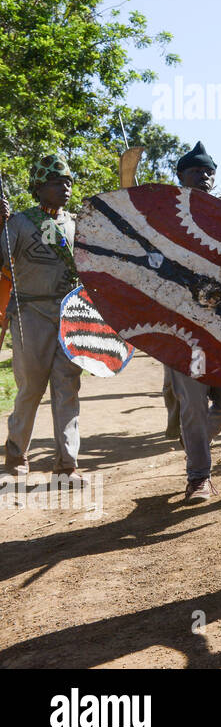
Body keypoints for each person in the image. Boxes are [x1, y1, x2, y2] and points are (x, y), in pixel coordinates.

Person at [166, 142, 221, 502]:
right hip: (181, 328)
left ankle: (193, 438)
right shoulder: (163, 218)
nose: (205, 175)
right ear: (181, 176)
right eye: (196, 170)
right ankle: (198, 477)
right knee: (193, 404)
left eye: (209, 171)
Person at [0, 155, 84, 483]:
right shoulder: (18, 224)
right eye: (55, 182)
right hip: (29, 315)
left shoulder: (77, 224)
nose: (64, 187)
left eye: (67, 182)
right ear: (38, 188)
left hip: (67, 316)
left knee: (68, 388)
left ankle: (67, 462)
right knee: (31, 388)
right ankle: (17, 452)